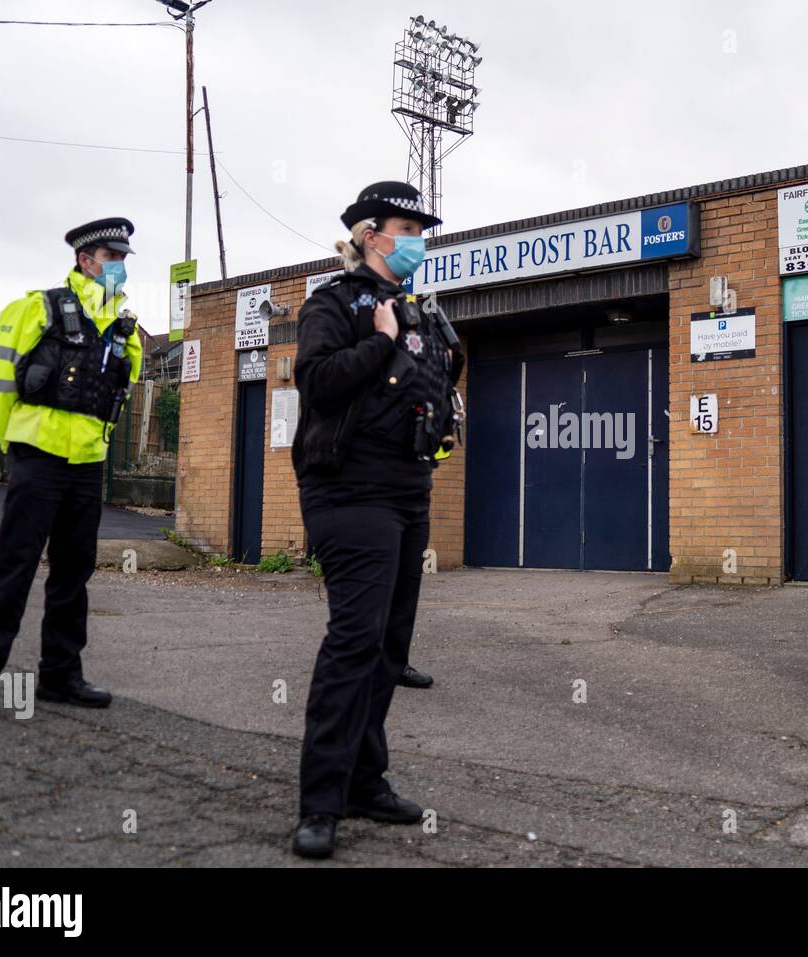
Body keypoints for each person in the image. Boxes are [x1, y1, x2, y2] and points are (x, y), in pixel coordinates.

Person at [289, 181, 462, 858]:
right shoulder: (335, 303)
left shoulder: (415, 312)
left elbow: (428, 392)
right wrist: (381, 343)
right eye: (407, 227)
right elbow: (318, 380)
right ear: (370, 235)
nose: (419, 239)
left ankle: (366, 779)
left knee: (390, 647)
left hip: (406, 491)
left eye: (424, 228)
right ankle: (319, 803)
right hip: (348, 492)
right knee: (354, 642)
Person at [0, 217, 142, 718]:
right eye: (112, 258)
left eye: (124, 260)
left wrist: (97, 447)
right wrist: (13, 443)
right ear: (85, 260)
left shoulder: (125, 331)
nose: (120, 268)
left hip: (88, 465)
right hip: (38, 460)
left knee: (73, 572)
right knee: (13, 566)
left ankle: (61, 676)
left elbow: (118, 399)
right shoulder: (36, 308)